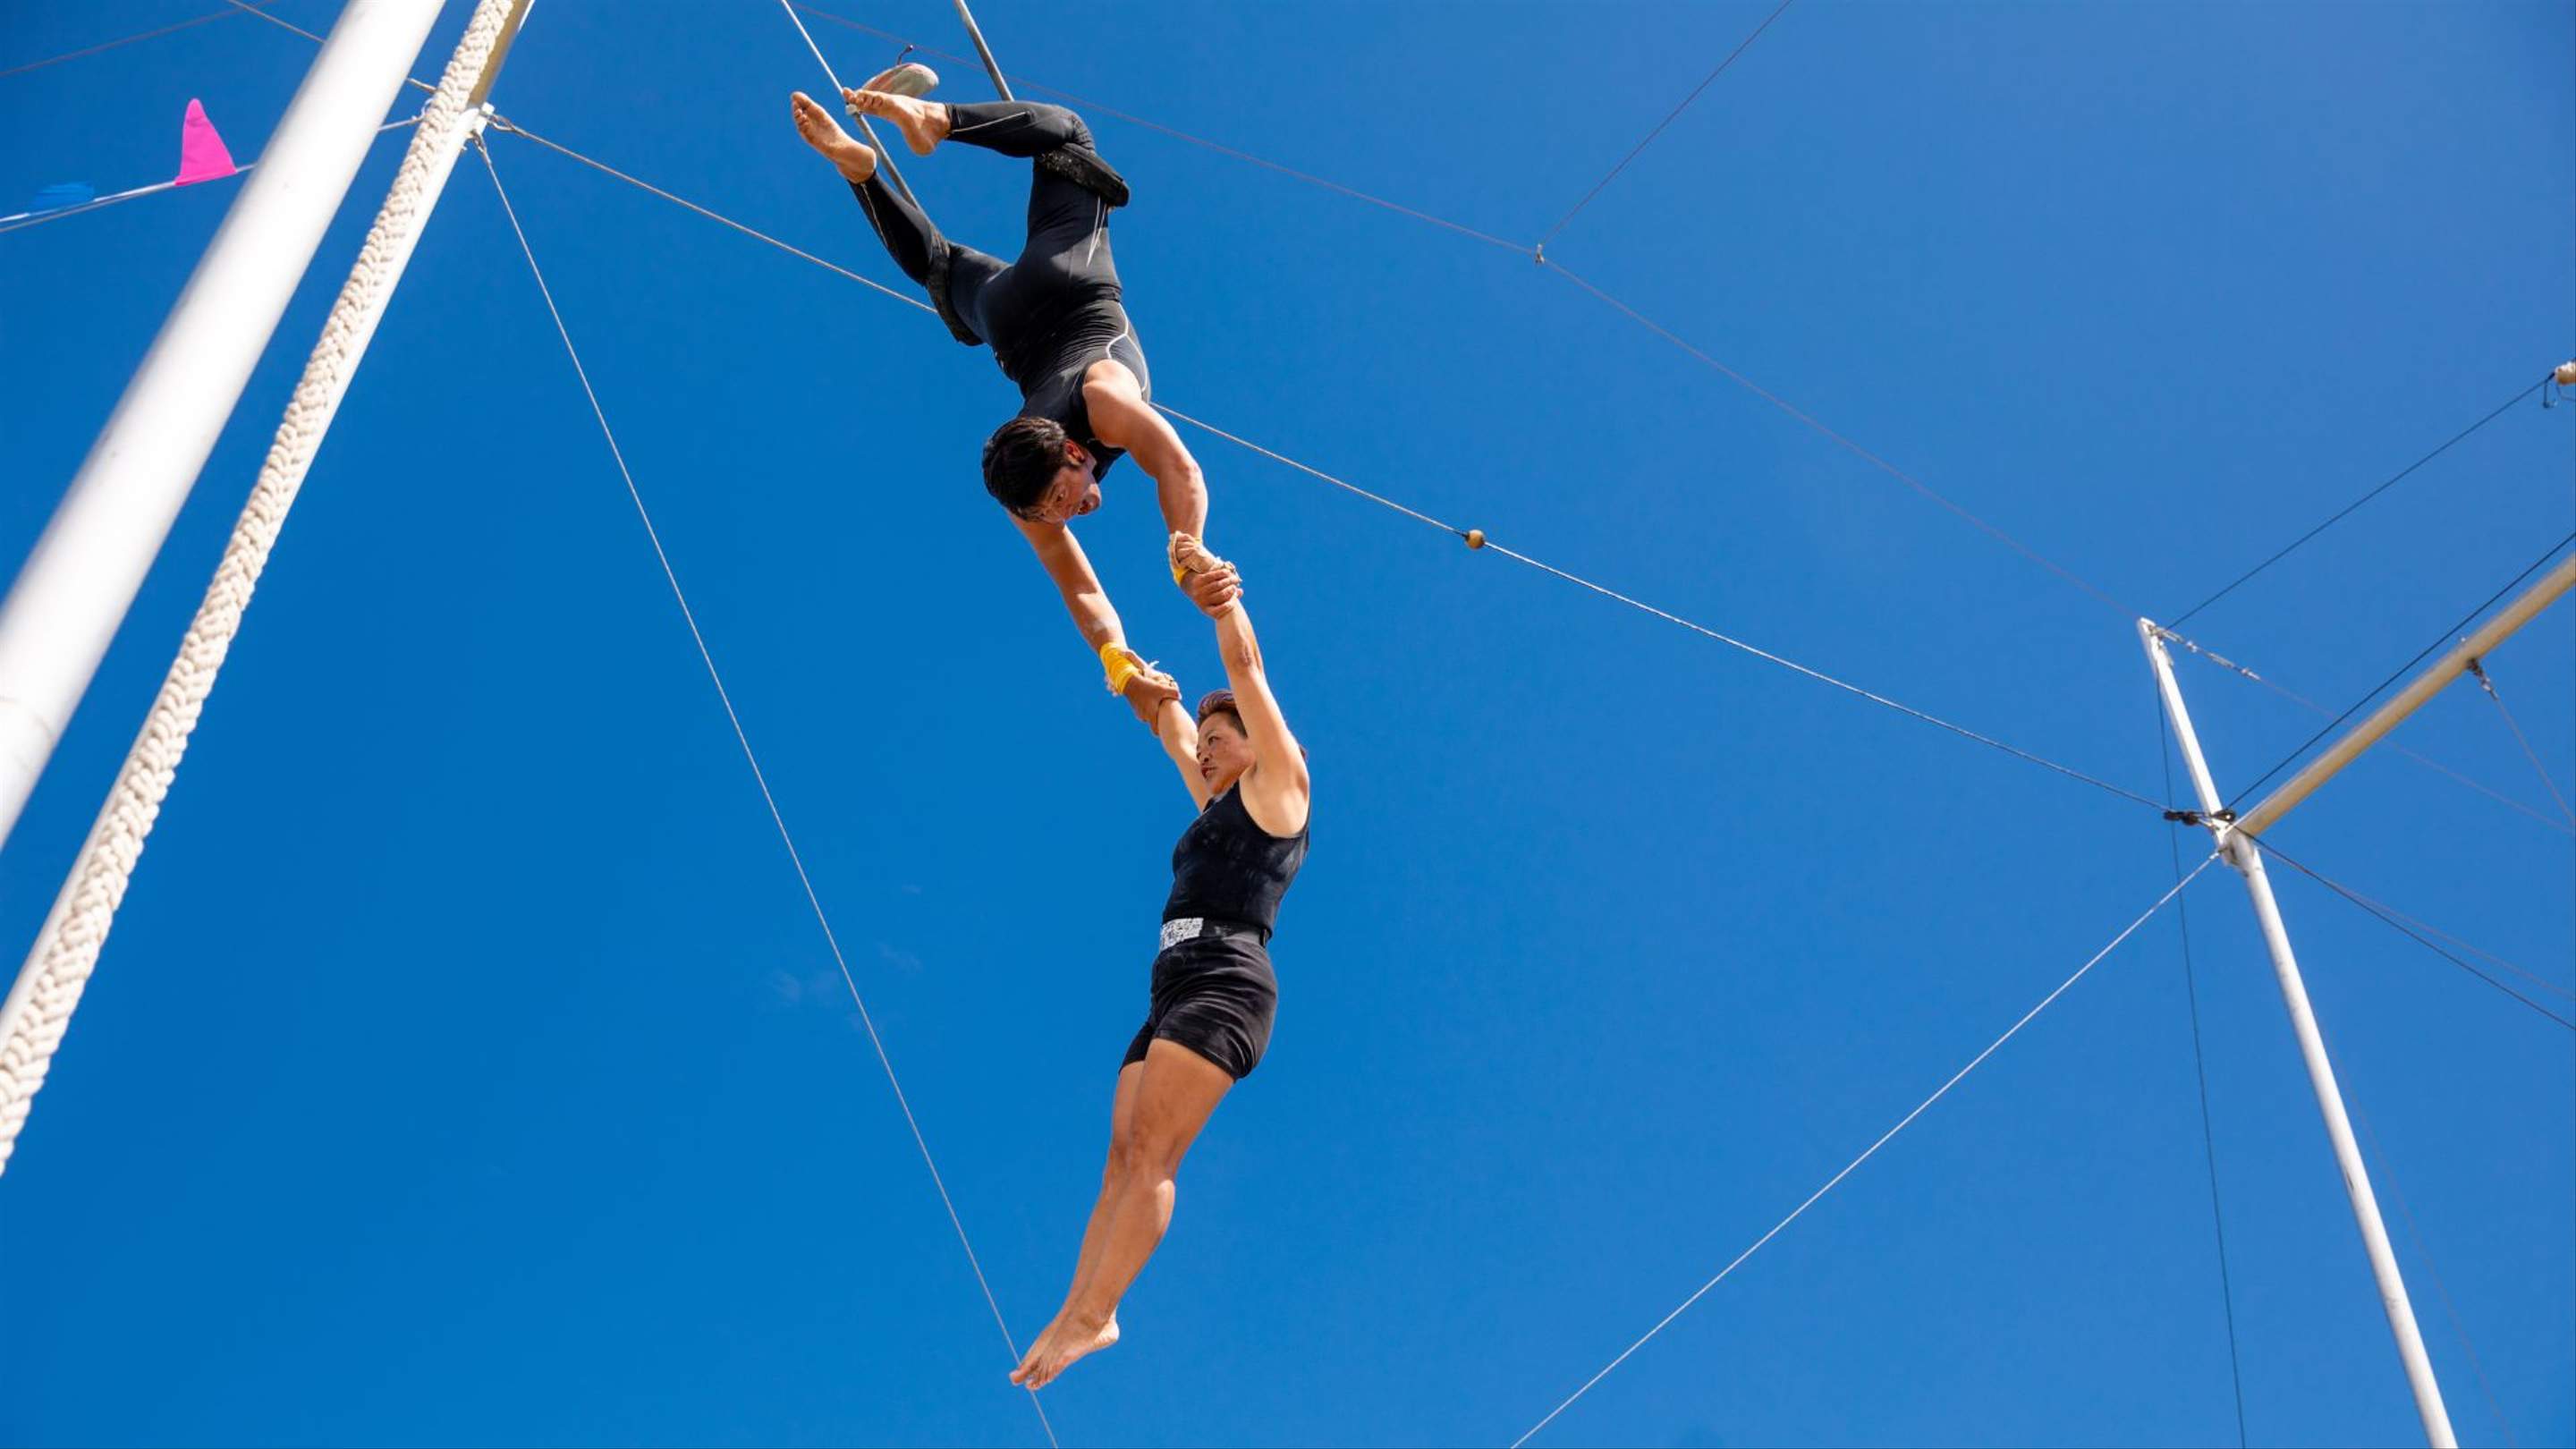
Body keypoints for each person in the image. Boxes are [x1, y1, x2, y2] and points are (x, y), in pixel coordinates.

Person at [790, 67, 1215, 724]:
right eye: (1054, 510)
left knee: (1070, 137)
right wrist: (1120, 663)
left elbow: (1177, 467)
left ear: (1073, 451)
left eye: (1060, 500)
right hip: (1009, 323)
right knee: (937, 265)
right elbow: (1083, 592)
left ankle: (937, 120)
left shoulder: (1103, 400)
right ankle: (860, 172)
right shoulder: (1025, 489)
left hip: (1070, 290)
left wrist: (1188, 553)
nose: (1067, 514)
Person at [1008, 533, 1310, 1391]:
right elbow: (1166, 725)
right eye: (1205, 740)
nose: (1205, 749)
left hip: (1226, 981)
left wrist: (1222, 603)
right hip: (1171, 986)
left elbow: (1246, 668)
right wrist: (1127, 670)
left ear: (1259, 743)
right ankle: (1079, 1308)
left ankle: (1098, 1313)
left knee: (1153, 1152)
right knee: (1120, 1156)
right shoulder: (1214, 802)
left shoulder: (1278, 792)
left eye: (1220, 737)